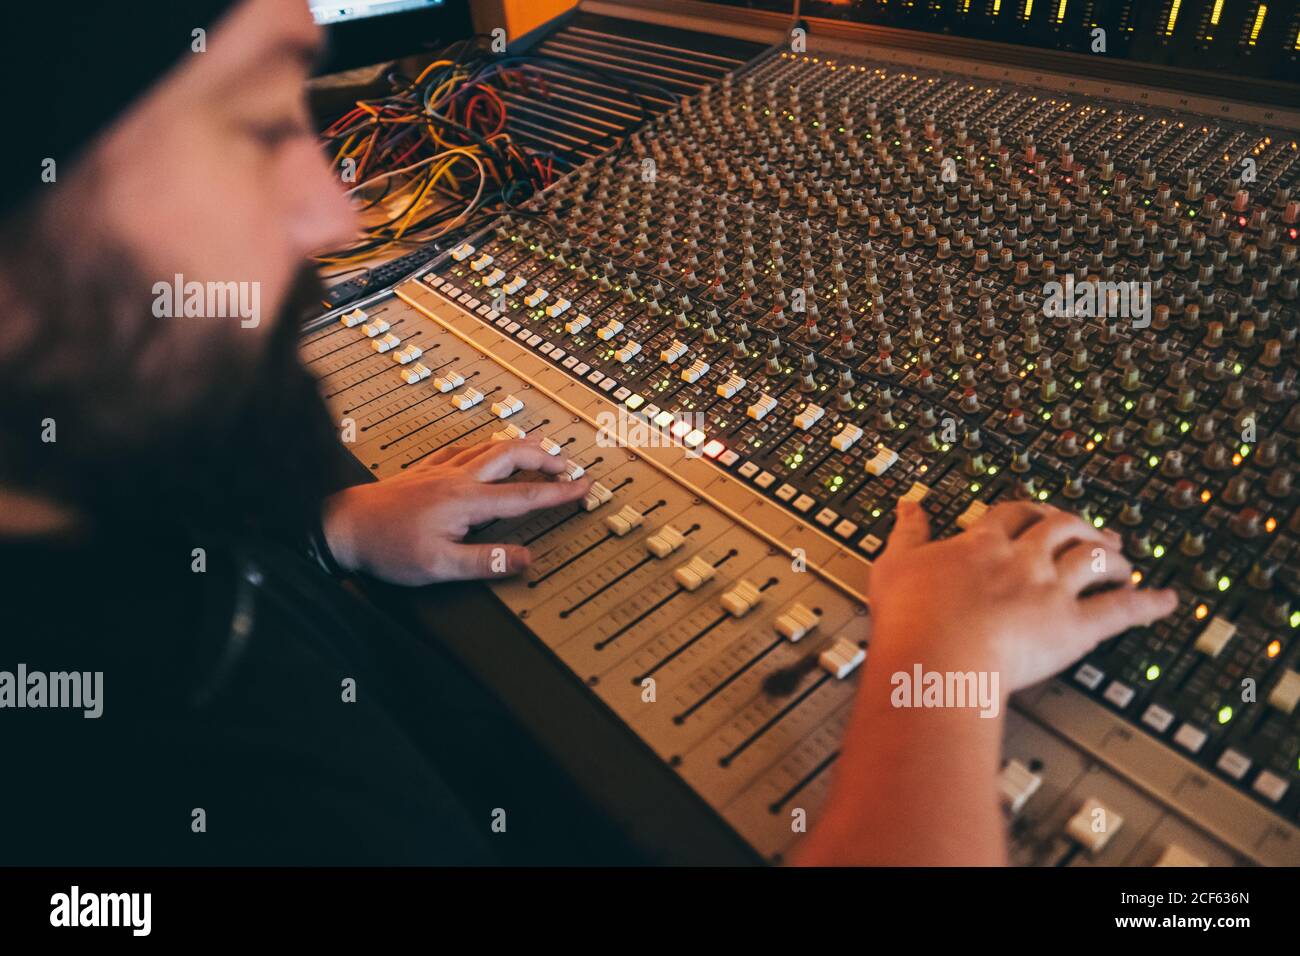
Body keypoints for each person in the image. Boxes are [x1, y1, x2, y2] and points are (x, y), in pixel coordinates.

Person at [0, 0, 1177, 866]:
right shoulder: (150, 785)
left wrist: (312, 540)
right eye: (257, 125)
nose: (333, 207)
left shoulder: (92, 552)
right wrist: (938, 672)